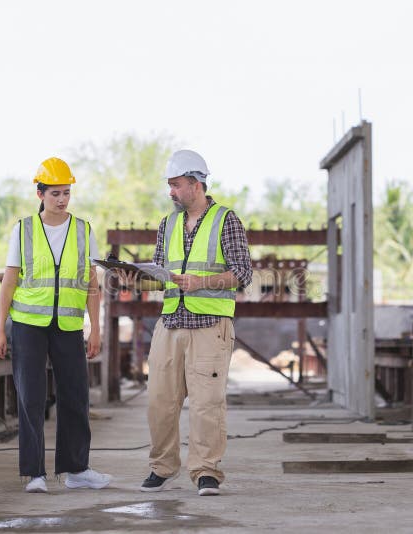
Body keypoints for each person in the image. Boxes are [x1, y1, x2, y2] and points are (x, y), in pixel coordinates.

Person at [122, 149, 252, 496]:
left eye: (176, 185)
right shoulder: (168, 224)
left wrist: (202, 282)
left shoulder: (226, 220)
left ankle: (206, 471)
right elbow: (161, 272)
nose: (171, 192)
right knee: (160, 400)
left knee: (207, 402)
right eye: (169, 186)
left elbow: (243, 273)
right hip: (170, 322)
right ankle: (162, 467)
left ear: (196, 184)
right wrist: (133, 277)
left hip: (210, 324)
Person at [0, 156, 111, 493]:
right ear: (40, 194)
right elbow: (9, 281)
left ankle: (76, 470)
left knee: (75, 397)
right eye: (55, 193)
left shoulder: (84, 230)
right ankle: (35, 474)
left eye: (67, 193)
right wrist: (0, 328)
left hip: (69, 326)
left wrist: (96, 329)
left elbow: (92, 284)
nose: (62, 199)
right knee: (31, 397)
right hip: (28, 326)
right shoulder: (24, 229)